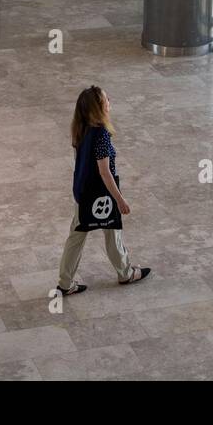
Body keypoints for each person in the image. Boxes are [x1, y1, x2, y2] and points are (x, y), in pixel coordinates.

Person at [56, 85, 151, 296]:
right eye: (107, 99)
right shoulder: (102, 135)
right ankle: (125, 273)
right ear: (99, 108)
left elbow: (79, 161)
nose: (110, 101)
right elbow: (105, 172)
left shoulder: (80, 129)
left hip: (82, 192)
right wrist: (120, 200)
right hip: (101, 194)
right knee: (112, 231)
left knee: (77, 236)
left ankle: (65, 282)